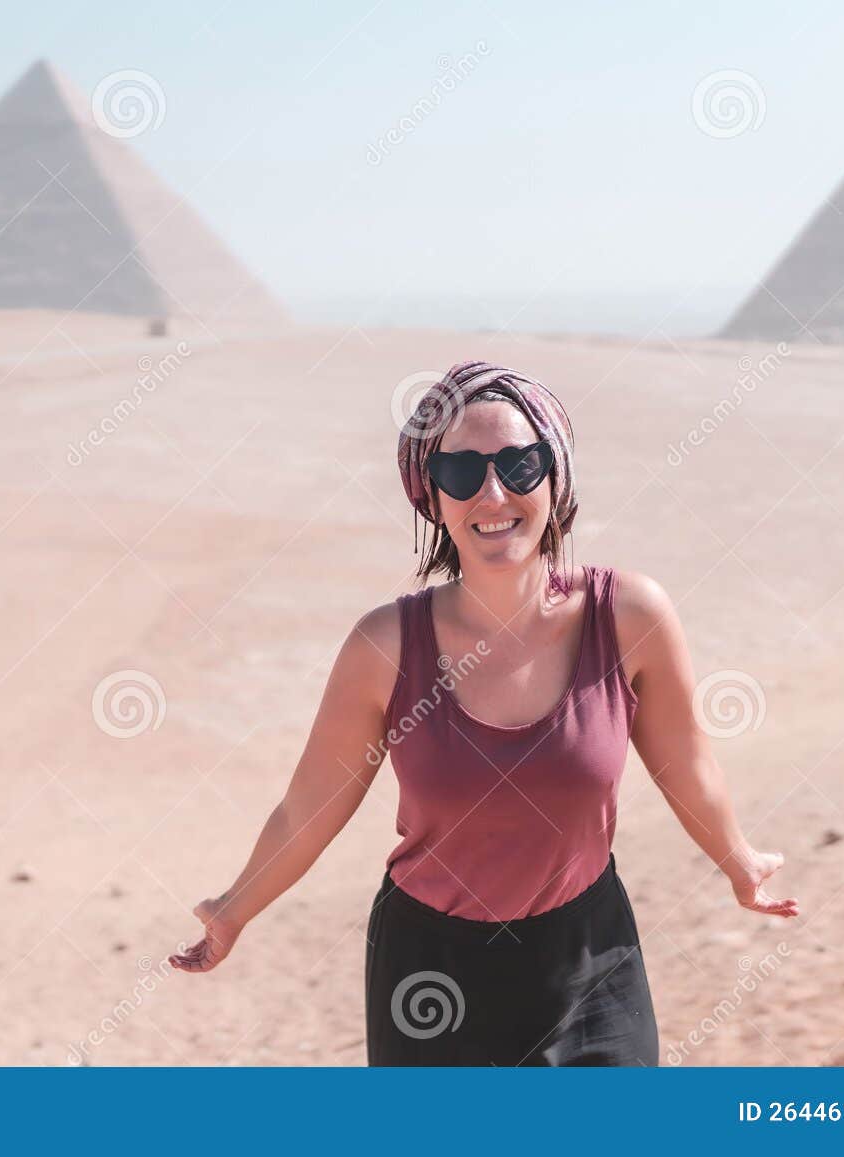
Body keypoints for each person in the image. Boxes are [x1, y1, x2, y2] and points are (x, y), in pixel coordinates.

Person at [168, 359, 798, 1066]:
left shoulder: (629, 616)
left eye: (519, 464)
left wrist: (739, 860)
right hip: (430, 972)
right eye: (462, 472)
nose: (493, 493)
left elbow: (689, 767)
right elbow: (308, 808)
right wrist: (233, 909)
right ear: (433, 497)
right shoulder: (384, 645)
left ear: (556, 477)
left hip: (589, 961)